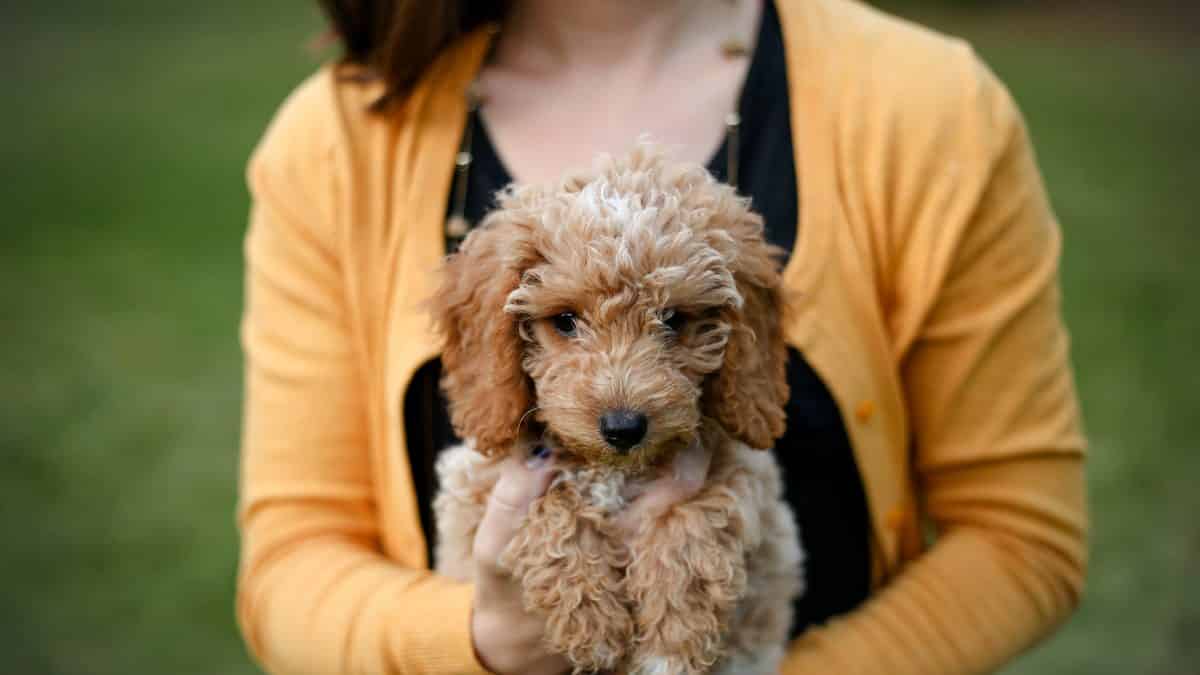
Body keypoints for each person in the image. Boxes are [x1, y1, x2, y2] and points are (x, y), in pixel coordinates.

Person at [234, 0, 1089, 673]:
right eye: (565, 321)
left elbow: (1021, 540)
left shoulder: (930, 109)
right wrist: (480, 639)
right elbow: (285, 572)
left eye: (679, 321)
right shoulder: (333, 145)